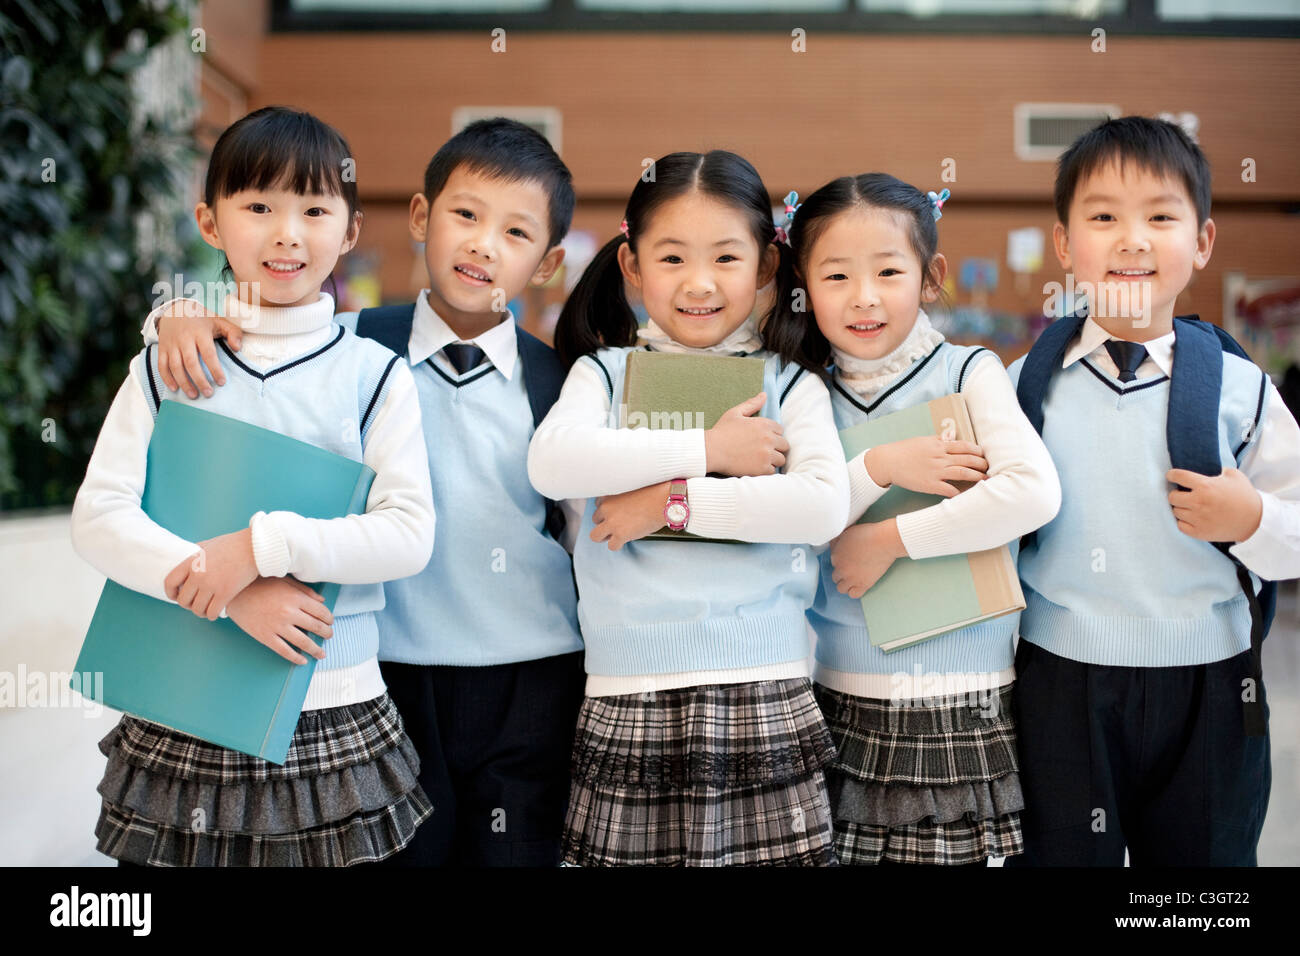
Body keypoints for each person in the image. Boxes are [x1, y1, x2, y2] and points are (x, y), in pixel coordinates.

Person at [139, 118, 584, 866]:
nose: (481, 244)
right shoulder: (346, 346)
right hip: (388, 673)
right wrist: (173, 315)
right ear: (421, 217)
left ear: (545, 265)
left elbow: (583, 536)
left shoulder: (563, 384)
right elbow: (249, 334)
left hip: (530, 680)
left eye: (515, 232)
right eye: (465, 216)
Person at [71, 106, 436, 866]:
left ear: (351, 229)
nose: (287, 234)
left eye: (313, 209)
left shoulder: (375, 377)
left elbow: (408, 533)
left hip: (332, 703)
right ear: (210, 221)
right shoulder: (168, 365)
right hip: (184, 700)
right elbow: (98, 518)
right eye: (259, 206)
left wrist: (259, 547)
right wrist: (228, 587)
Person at [527, 150, 850, 866]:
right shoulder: (604, 372)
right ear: (633, 267)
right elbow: (553, 462)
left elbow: (822, 506)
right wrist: (709, 448)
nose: (699, 283)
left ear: (767, 267)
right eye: (672, 258)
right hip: (629, 688)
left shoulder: (788, 384)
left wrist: (672, 505)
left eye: (726, 258)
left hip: (762, 685)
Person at [1005, 116, 1300, 866]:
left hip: (1213, 686)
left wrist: (1251, 516)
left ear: (1201, 242)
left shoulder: (1241, 388)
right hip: (1059, 681)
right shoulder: (1019, 388)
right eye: (1104, 217)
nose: (1132, 239)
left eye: (1161, 217)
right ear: (1066, 245)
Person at [766, 172, 1060, 866]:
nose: (864, 296)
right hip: (837, 695)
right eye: (836, 274)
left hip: (964, 698)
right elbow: (793, 521)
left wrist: (890, 540)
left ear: (931, 279)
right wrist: (882, 468)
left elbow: (1030, 493)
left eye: (889, 271)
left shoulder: (967, 372)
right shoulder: (800, 391)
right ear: (802, 284)